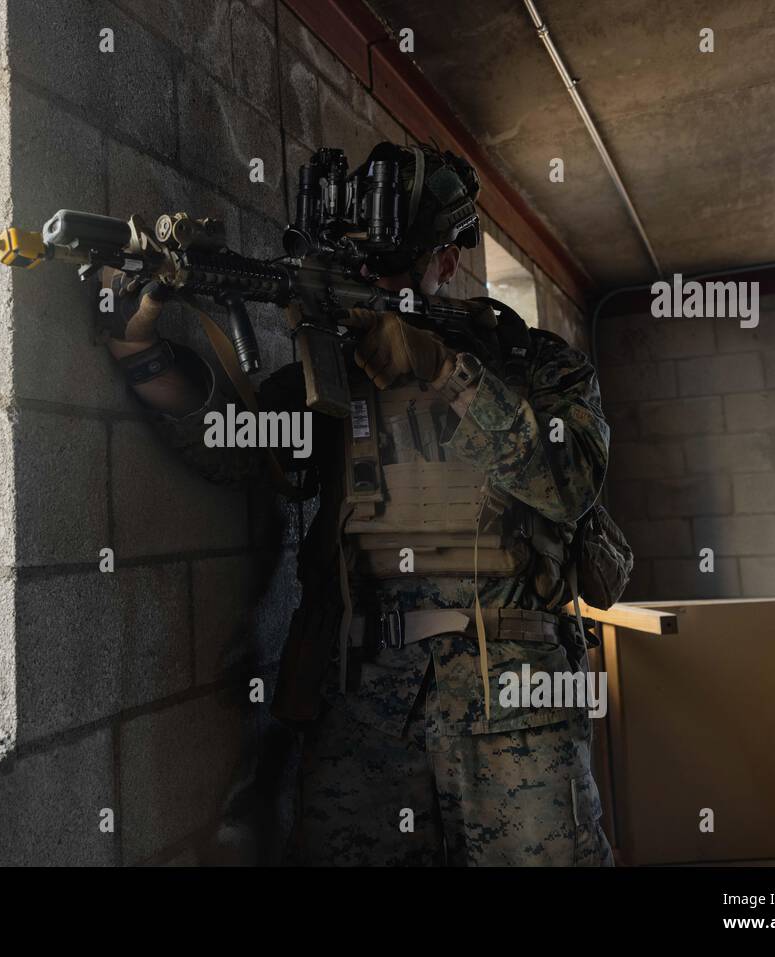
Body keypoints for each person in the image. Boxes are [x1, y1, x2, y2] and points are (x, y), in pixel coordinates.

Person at [105, 143, 613, 866]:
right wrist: (142, 346)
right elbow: (235, 446)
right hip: (365, 702)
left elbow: (566, 484)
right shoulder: (338, 374)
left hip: (514, 701)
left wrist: (441, 369)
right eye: (358, 270)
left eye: (392, 269)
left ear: (445, 260)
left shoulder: (538, 364)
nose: (371, 286)